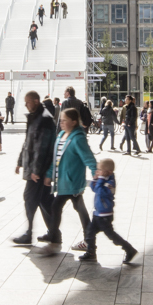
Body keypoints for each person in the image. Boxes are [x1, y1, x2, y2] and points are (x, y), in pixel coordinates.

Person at [46, 107, 98, 251]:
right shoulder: (62, 135)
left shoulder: (78, 138)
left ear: (74, 122)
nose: (61, 123)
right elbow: (55, 158)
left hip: (72, 182)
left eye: (65, 120)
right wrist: (49, 174)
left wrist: (95, 172)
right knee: (79, 209)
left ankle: (53, 237)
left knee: (56, 206)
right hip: (63, 182)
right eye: (60, 120)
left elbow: (88, 157)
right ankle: (89, 240)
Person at [13, 91, 57, 245]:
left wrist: (35, 171)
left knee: (30, 198)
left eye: (28, 102)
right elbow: (28, 142)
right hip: (38, 169)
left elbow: (41, 148)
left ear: (36, 101)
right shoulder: (36, 117)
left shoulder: (44, 119)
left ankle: (29, 234)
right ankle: (54, 233)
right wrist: (20, 161)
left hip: (39, 170)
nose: (26, 105)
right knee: (45, 201)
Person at [79, 157, 137, 264]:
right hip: (98, 213)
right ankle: (91, 252)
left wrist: (100, 179)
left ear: (108, 172)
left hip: (105, 215)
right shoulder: (103, 179)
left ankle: (129, 249)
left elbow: (100, 191)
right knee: (89, 232)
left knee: (111, 235)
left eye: (100, 170)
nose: (98, 172)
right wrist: (96, 179)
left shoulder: (110, 182)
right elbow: (93, 187)